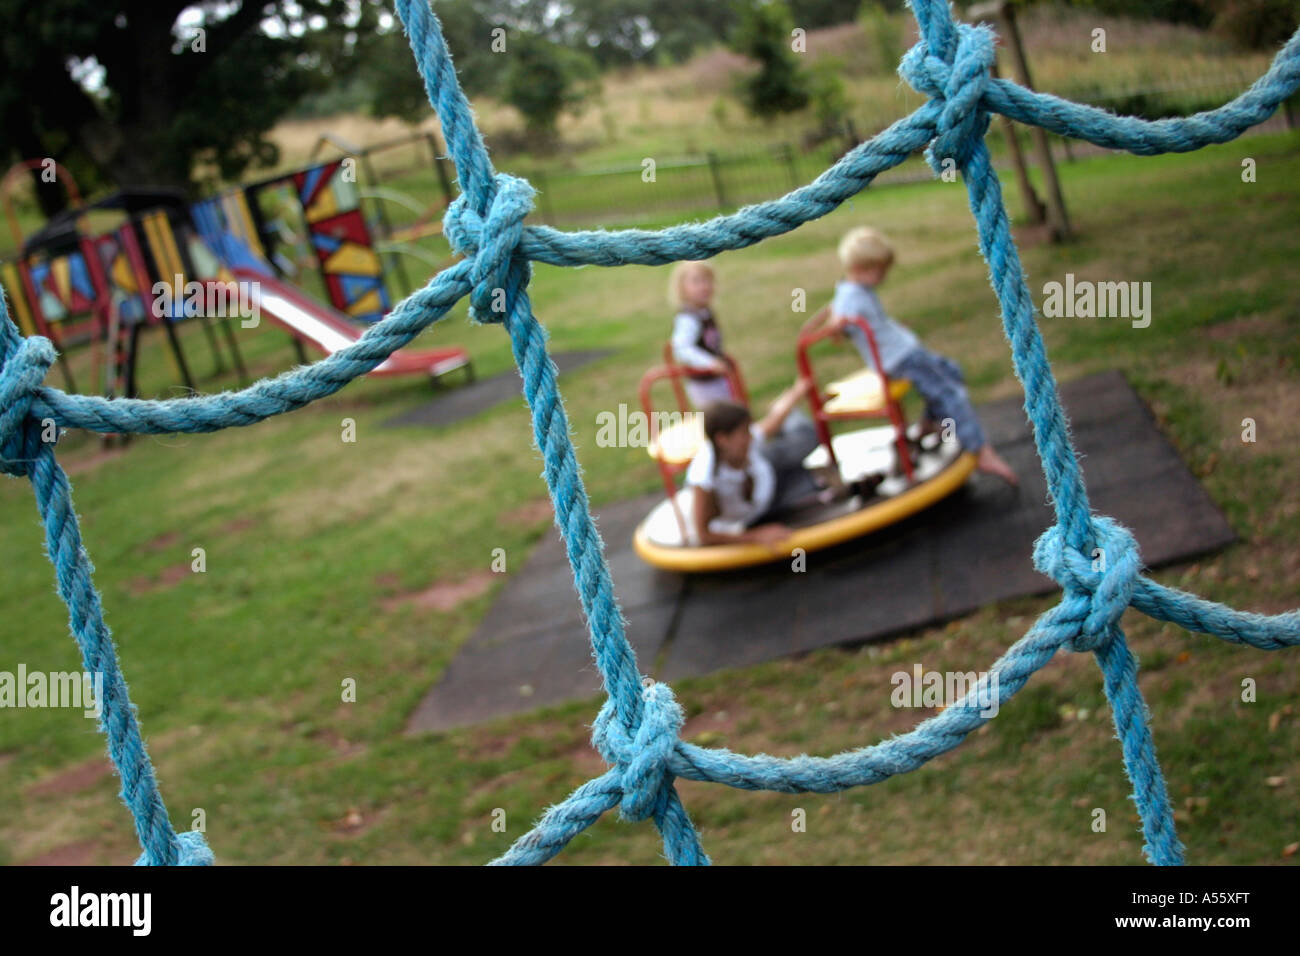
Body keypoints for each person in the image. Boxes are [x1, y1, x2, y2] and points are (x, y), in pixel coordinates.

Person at [803, 226, 1018, 485]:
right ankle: (981, 450)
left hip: (904, 352)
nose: (884, 277)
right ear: (861, 269)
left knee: (951, 371)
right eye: (880, 271)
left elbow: (844, 312)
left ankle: (929, 423)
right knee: (951, 394)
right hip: (901, 359)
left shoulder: (850, 288)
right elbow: (840, 321)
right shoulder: (852, 298)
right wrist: (838, 327)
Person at [685, 380, 881, 548]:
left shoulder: (747, 446)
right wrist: (754, 536)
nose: (749, 437)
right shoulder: (706, 476)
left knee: (809, 436)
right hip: (767, 502)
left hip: (769, 465)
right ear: (722, 439)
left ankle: (795, 420)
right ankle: (825, 479)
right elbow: (703, 533)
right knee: (814, 492)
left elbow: (772, 422)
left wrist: (797, 392)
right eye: (743, 434)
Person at [667, 261, 738, 408]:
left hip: (718, 378)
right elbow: (681, 349)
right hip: (704, 384)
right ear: (682, 288)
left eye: (707, 280)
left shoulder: (705, 312)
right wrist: (709, 363)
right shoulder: (688, 318)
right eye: (696, 281)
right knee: (720, 417)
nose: (704, 286)